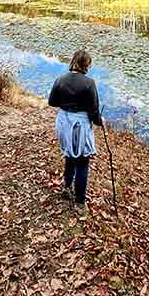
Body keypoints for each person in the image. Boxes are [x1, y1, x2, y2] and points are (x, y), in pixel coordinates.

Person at [48, 49, 102, 213]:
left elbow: (52, 102)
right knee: (83, 161)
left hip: (63, 123)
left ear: (73, 62)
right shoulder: (89, 83)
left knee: (69, 156)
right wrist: (99, 121)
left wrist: (67, 105)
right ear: (86, 65)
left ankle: (66, 187)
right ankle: (79, 202)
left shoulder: (60, 79)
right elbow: (93, 111)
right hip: (80, 126)